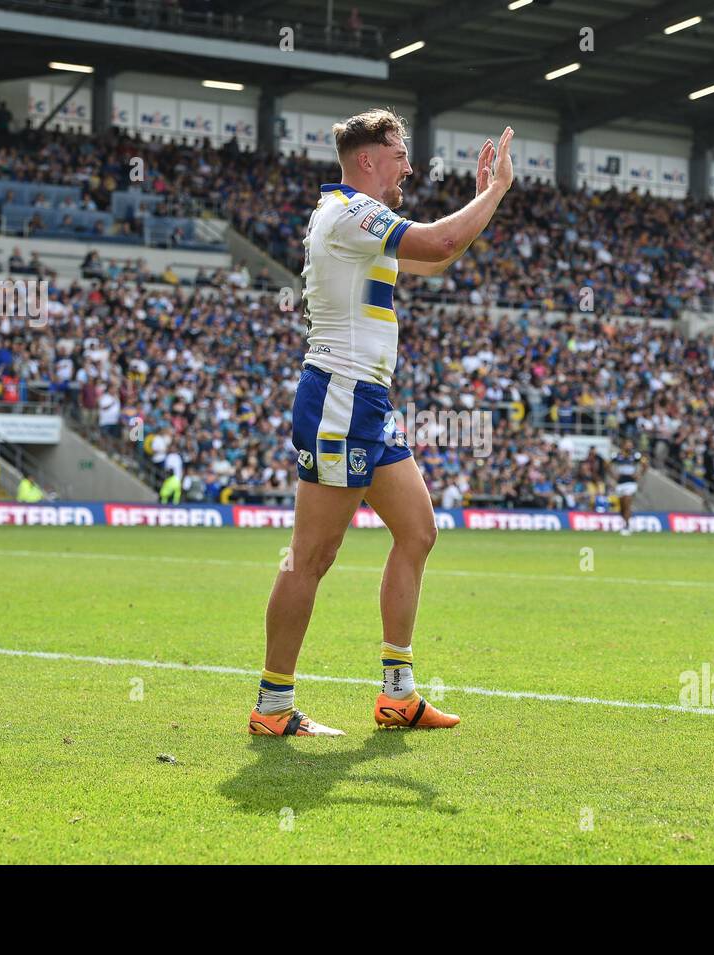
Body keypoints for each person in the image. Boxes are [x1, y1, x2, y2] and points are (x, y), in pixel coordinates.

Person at [249, 108, 515, 737]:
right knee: (310, 557)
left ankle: (398, 693)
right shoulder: (349, 211)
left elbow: (432, 259)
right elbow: (440, 244)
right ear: (367, 160)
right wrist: (498, 190)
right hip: (340, 396)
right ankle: (273, 705)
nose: (410, 166)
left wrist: (481, 202)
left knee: (418, 531)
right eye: (399, 154)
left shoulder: (357, 221)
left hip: (365, 402)